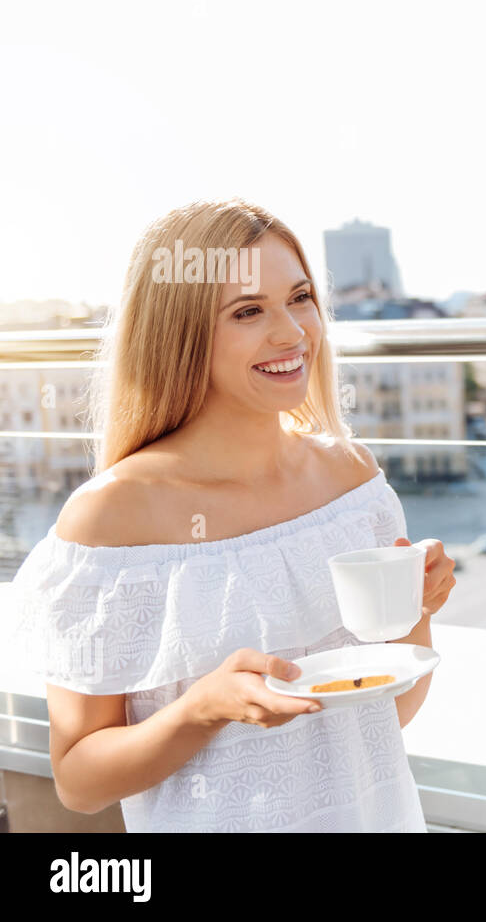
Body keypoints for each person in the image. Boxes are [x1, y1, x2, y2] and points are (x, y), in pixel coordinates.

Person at [7, 199, 457, 831]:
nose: (294, 333)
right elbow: (79, 780)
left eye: (300, 298)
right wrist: (200, 710)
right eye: (249, 311)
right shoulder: (110, 520)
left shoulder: (352, 480)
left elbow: (389, 713)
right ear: (180, 334)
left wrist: (417, 613)